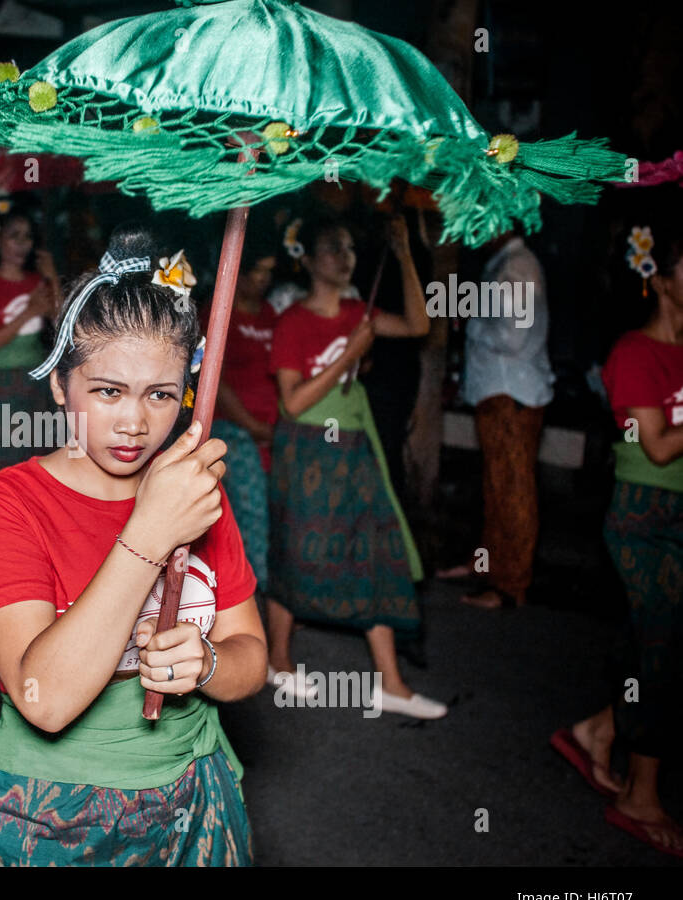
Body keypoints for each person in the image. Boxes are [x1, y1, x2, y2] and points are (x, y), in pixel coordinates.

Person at [0, 224, 267, 866]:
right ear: (59, 385)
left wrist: (206, 664)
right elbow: (45, 700)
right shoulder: (4, 506)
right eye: (107, 391)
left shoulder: (195, 492)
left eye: (160, 395)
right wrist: (150, 533)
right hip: (57, 813)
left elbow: (251, 657)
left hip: (197, 795)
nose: (134, 422)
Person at [264, 215, 447, 719]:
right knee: (297, 552)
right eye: (332, 248)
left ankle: (391, 683)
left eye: (349, 248)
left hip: (354, 447)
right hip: (307, 449)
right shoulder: (294, 322)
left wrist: (404, 253)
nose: (345, 257)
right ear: (306, 260)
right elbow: (294, 402)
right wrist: (349, 355)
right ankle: (277, 659)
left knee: (375, 552)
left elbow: (419, 325)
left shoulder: (358, 313)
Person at [553, 223, 683, 858]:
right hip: (644, 516)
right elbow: (655, 447)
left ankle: (597, 730)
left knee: (652, 639)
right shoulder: (634, 352)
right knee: (665, 648)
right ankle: (640, 795)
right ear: (662, 280)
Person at [437, 231, 554, 608]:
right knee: (496, 488)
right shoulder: (505, 266)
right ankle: (488, 566)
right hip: (500, 392)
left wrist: (471, 319)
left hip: (511, 393)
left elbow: (513, 337)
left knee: (513, 491)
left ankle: (510, 586)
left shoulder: (517, 268)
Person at [203, 244, 278, 588]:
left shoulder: (270, 314)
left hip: (272, 432)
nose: (263, 279)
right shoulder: (219, 312)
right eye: (257, 271)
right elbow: (214, 380)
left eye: (269, 272)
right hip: (234, 430)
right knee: (250, 514)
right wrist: (251, 426)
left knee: (273, 513)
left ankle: (271, 594)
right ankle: (252, 594)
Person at [0, 211, 61, 472]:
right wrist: (28, 313)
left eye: (27, 237)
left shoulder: (36, 281)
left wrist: (52, 276)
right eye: (14, 236)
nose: (22, 243)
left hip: (38, 380)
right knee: (4, 463)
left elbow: (62, 322)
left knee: (41, 459)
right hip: (1, 381)